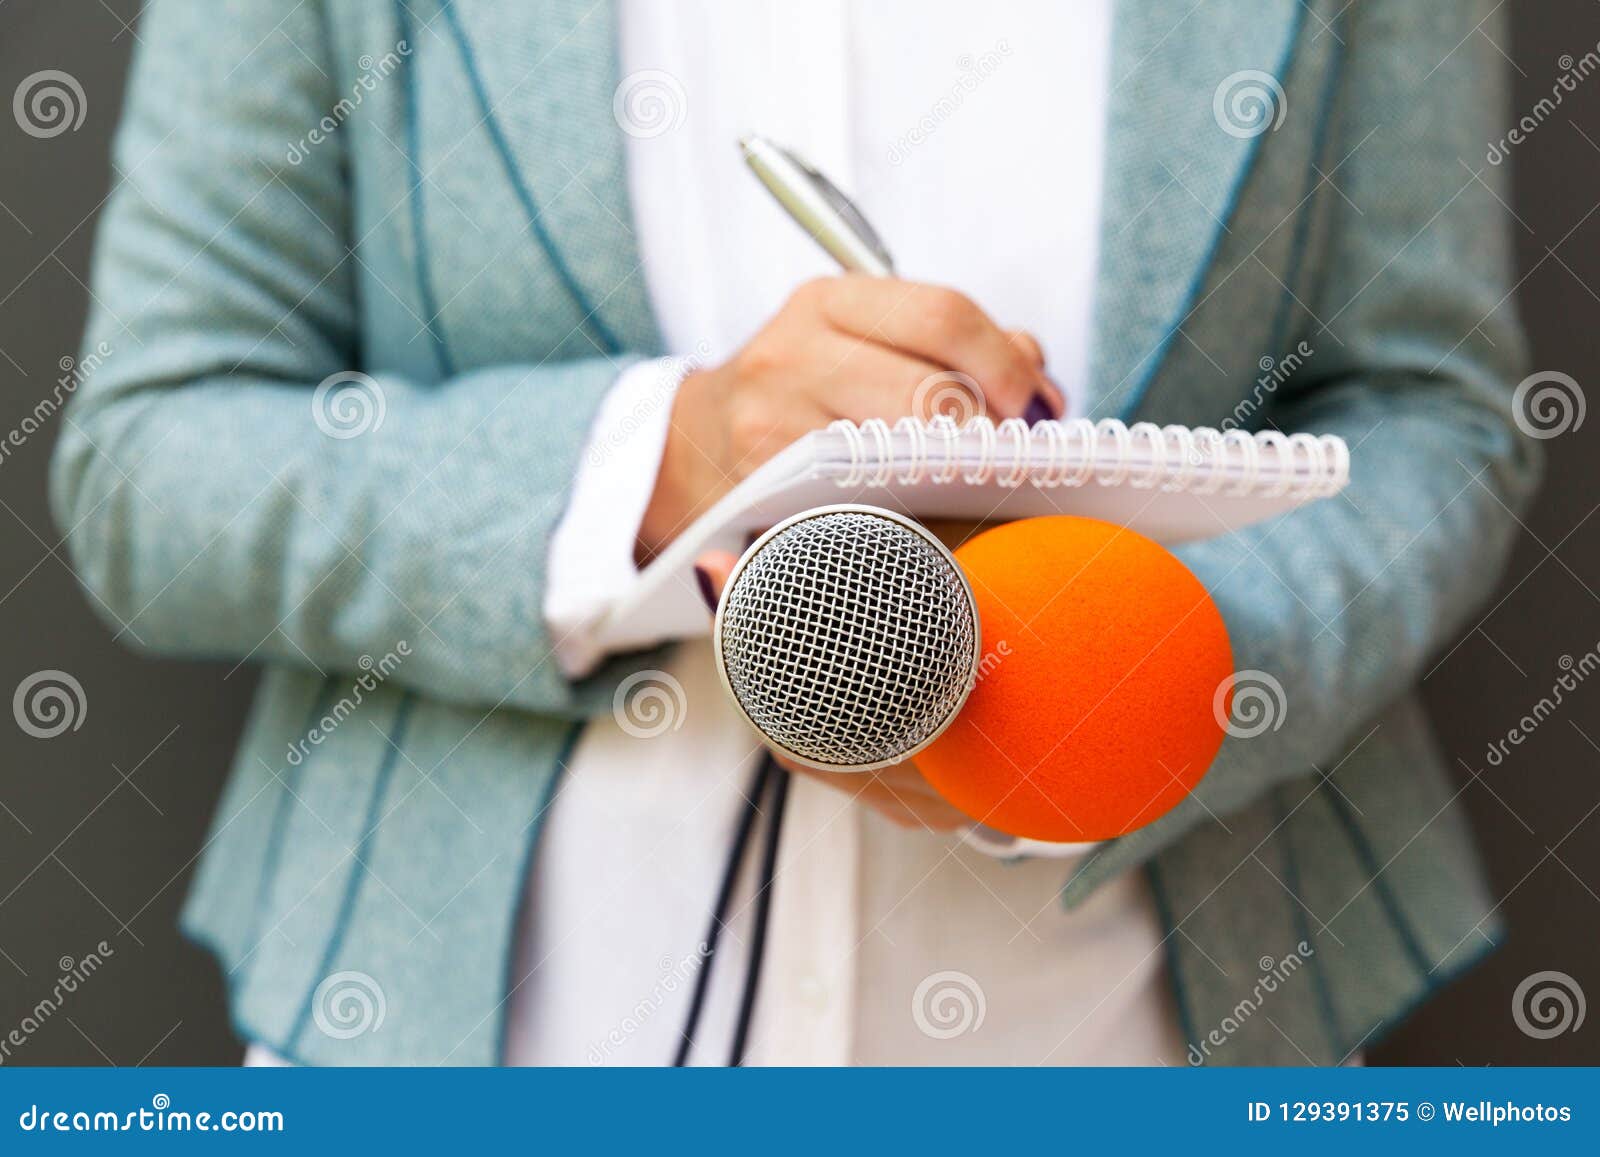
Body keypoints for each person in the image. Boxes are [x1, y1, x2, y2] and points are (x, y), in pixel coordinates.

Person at [52, 0, 1539, 1065]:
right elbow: (152, 461)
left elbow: (1435, 407)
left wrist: (1128, 682)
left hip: (1134, 1035)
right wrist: (667, 459)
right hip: (461, 1046)